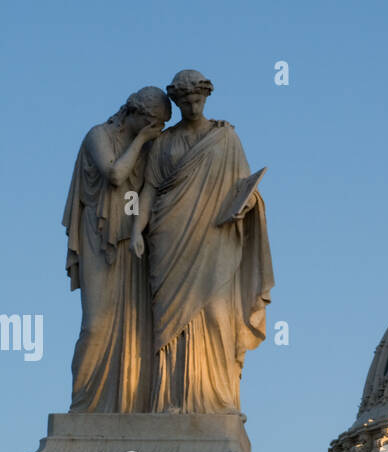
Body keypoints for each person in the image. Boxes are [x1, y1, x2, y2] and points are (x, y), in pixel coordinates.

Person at [130, 69, 273, 413]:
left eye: (197, 100)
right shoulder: (162, 143)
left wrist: (248, 204)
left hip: (215, 237)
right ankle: (168, 400)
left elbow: (246, 187)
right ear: (177, 103)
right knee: (168, 321)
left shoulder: (225, 139)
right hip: (169, 235)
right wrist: (136, 229)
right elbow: (148, 190)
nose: (192, 107)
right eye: (186, 102)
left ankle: (212, 400)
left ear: (206, 98)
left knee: (214, 314)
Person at [63, 86, 171, 411]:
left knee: (134, 327)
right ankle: (82, 406)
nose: (158, 131)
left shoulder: (151, 148)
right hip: (98, 236)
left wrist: (216, 127)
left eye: (162, 125)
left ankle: (128, 406)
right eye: (154, 122)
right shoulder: (99, 135)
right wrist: (141, 140)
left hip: (133, 241)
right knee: (96, 324)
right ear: (134, 112)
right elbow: (114, 174)